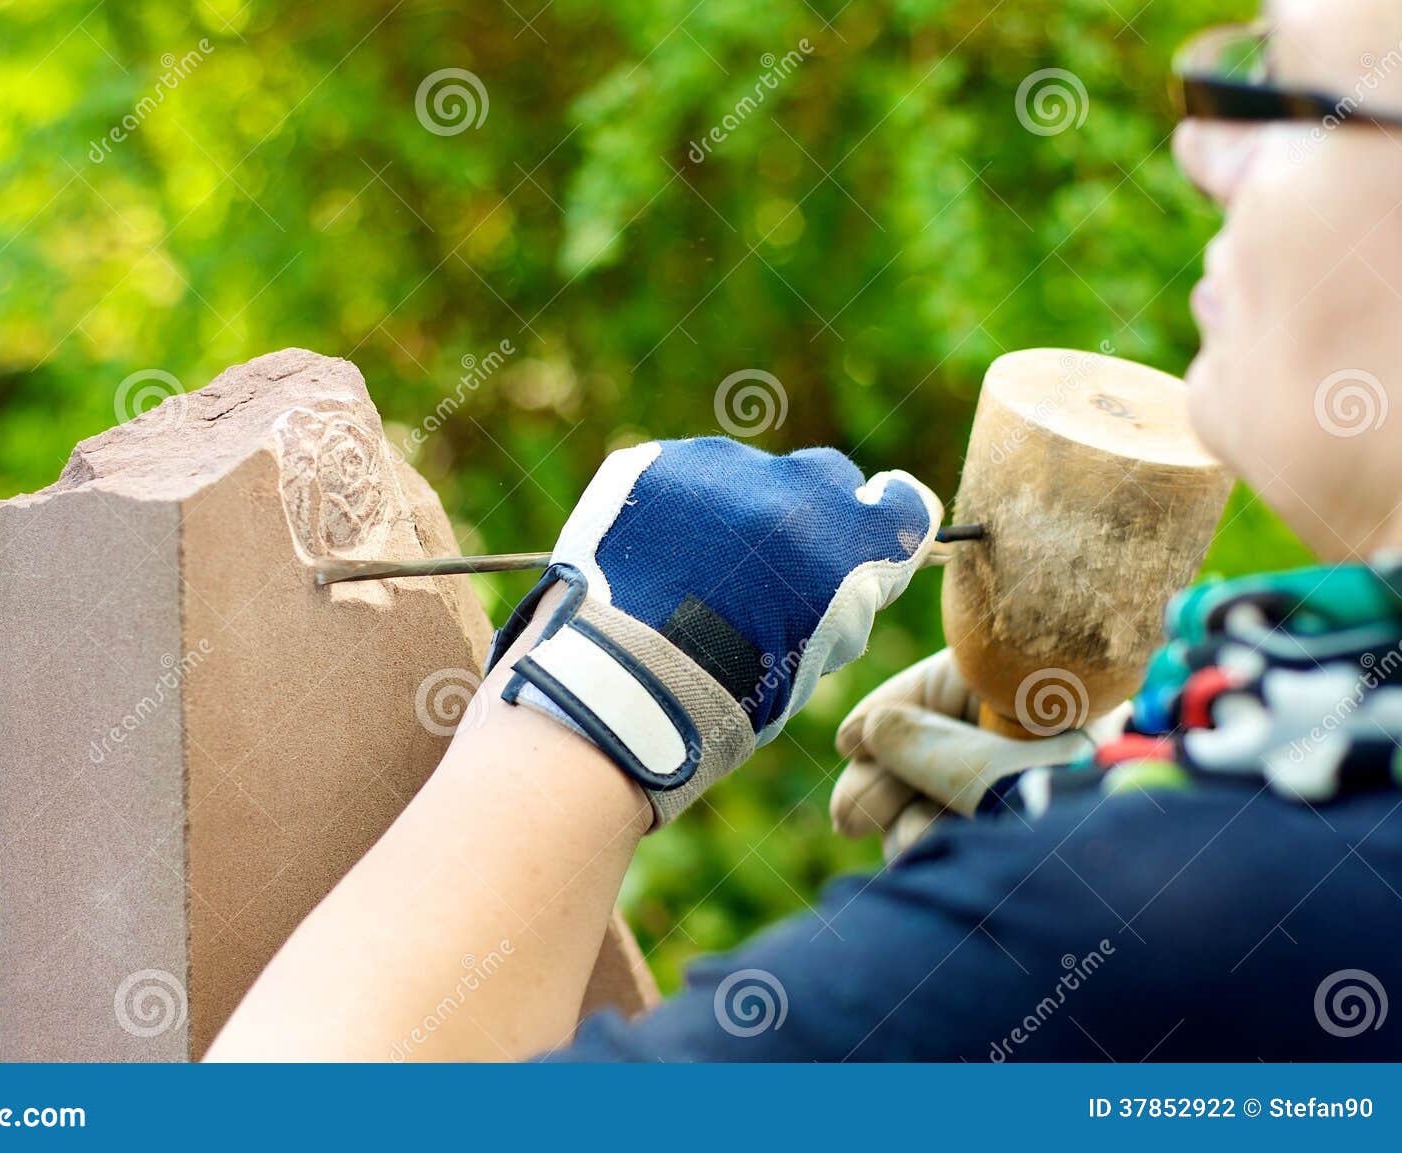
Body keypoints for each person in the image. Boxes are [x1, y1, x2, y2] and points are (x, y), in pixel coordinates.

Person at [207, 0, 1402, 1062]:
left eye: (1278, 89)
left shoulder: (1173, 920)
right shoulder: (1272, 819)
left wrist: (608, 699)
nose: (1199, 150)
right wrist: (1134, 804)